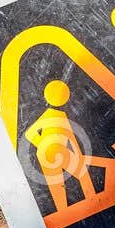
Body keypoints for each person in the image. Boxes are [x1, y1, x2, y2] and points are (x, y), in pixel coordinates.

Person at [24, 79, 95, 212]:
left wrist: (76, 155)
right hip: (48, 154)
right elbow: (30, 134)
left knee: (81, 174)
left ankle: (92, 199)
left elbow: (71, 138)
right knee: (57, 184)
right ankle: (63, 210)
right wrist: (44, 145)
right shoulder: (49, 115)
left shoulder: (61, 116)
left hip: (61, 152)